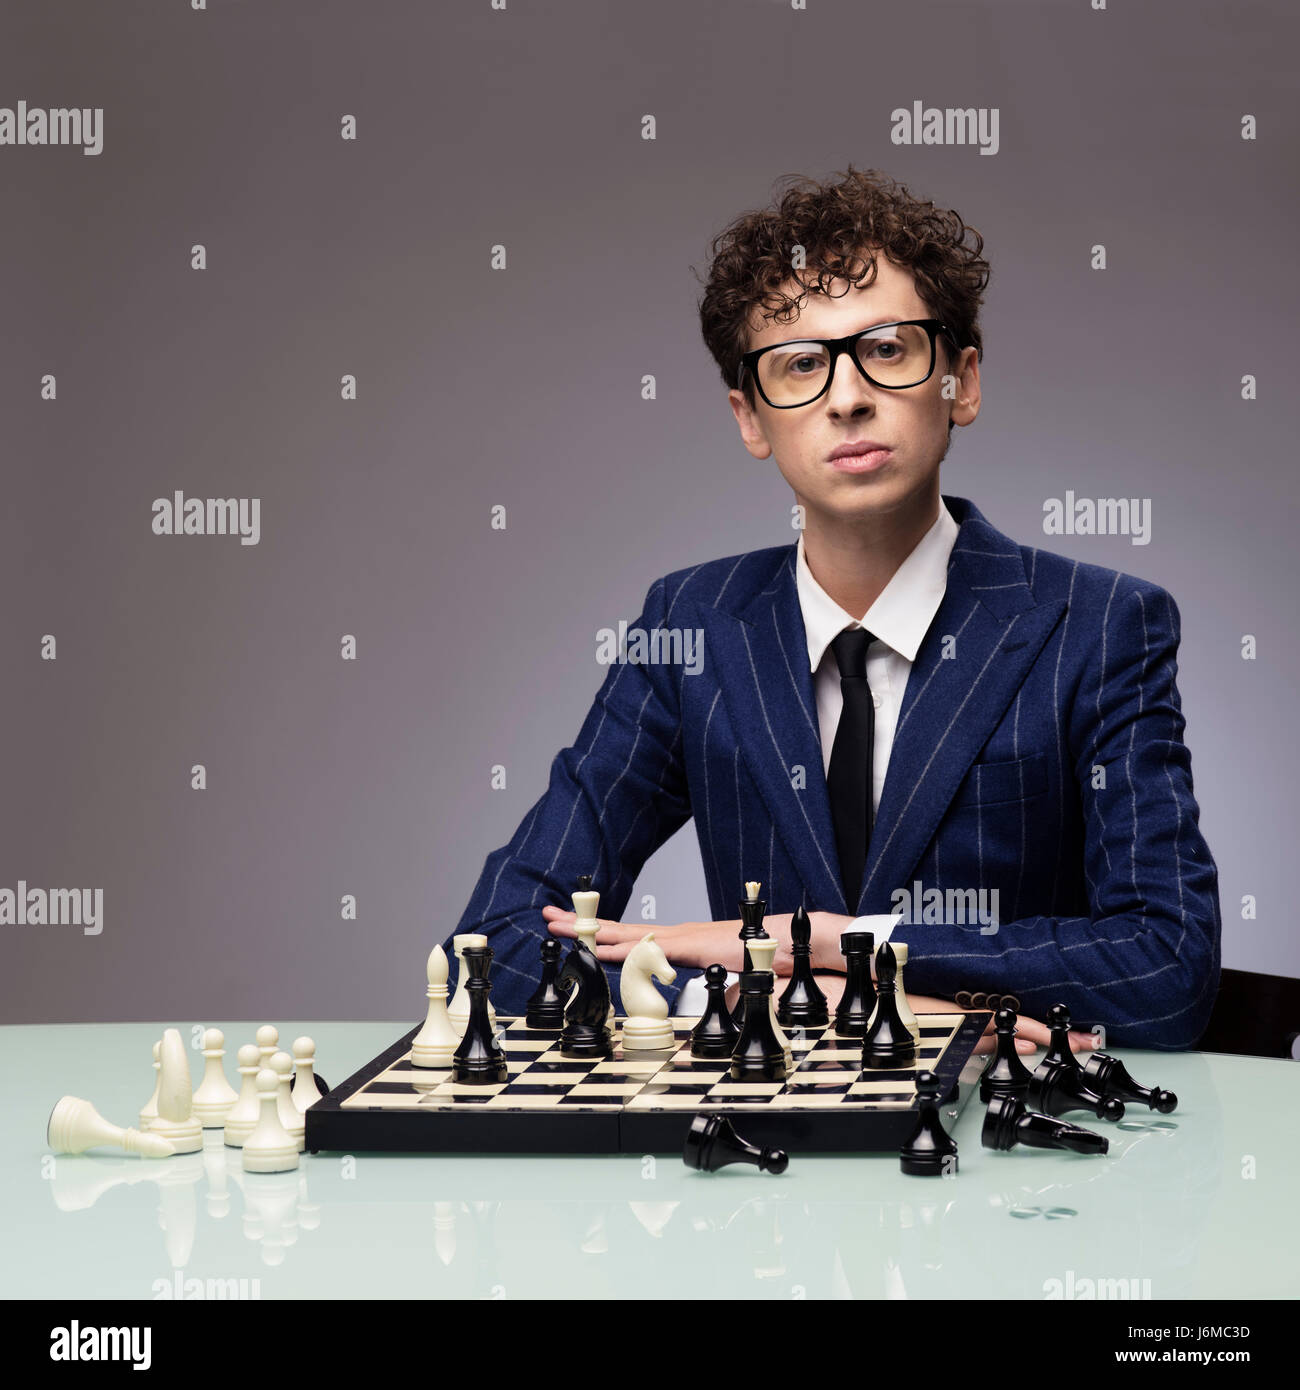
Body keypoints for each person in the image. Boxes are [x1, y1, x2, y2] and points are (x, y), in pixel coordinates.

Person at [447, 166, 1220, 1052]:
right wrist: (764, 1006)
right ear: (749, 417)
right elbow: (493, 950)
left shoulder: (1100, 624)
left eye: (888, 349)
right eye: (801, 366)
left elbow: (1166, 969)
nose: (847, 397)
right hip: (754, 1158)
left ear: (960, 382)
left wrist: (829, 946)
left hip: (1011, 1162)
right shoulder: (692, 625)